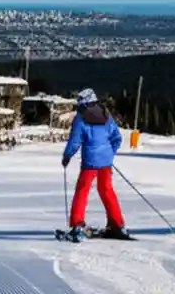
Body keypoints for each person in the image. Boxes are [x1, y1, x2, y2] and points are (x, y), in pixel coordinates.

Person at [61, 88, 131, 241]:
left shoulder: (81, 118)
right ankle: (117, 224)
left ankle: (77, 224)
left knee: (82, 190)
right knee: (106, 190)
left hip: (90, 162)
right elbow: (117, 138)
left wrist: (67, 156)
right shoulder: (106, 114)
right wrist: (109, 154)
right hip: (106, 162)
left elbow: (75, 141)